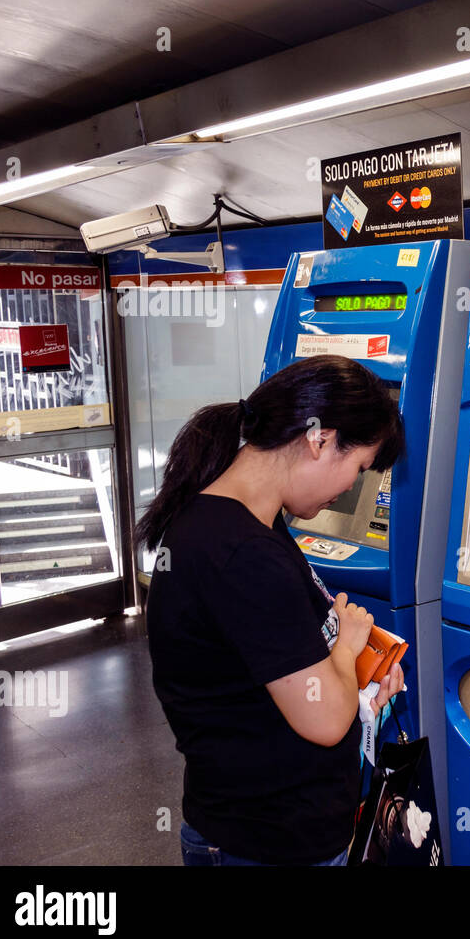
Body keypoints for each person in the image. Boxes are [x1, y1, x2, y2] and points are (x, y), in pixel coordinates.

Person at [139, 354, 405, 866]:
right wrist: (349, 648)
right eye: (358, 468)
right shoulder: (241, 552)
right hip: (264, 843)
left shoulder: (238, 522)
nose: (351, 487)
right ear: (320, 439)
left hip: (266, 827)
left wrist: (363, 691)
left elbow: (272, 673)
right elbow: (325, 719)